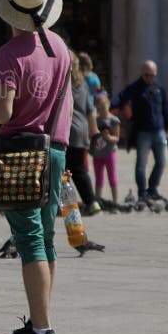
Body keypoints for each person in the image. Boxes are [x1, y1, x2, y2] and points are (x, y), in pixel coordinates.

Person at [0, 0, 72, 334]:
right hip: (55, 148)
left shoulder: (8, 54)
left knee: (29, 239)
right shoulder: (60, 48)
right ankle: (42, 321)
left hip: (20, 152)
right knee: (47, 237)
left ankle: (41, 331)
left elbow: (2, 113)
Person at [111, 61, 168, 203]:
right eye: (147, 75)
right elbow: (119, 98)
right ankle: (142, 192)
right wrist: (109, 107)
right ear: (142, 73)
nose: (149, 78)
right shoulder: (135, 88)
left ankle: (152, 189)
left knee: (162, 161)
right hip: (143, 132)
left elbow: (166, 109)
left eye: (152, 75)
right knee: (141, 164)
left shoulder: (159, 88)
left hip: (159, 130)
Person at [66, 52, 100, 216]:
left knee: (63, 172)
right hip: (82, 131)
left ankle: (68, 205)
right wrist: (94, 133)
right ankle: (92, 202)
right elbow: (91, 111)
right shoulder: (83, 84)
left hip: (66, 131)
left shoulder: (62, 82)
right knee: (79, 170)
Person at [92, 92, 120, 207]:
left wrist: (108, 137)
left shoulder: (114, 120)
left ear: (108, 105)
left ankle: (115, 202)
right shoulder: (96, 120)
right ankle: (97, 201)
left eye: (104, 107)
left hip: (109, 152)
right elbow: (92, 136)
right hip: (97, 153)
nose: (102, 110)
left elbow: (117, 138)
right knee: (98, 178)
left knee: (112, 177)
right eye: (99, 108)